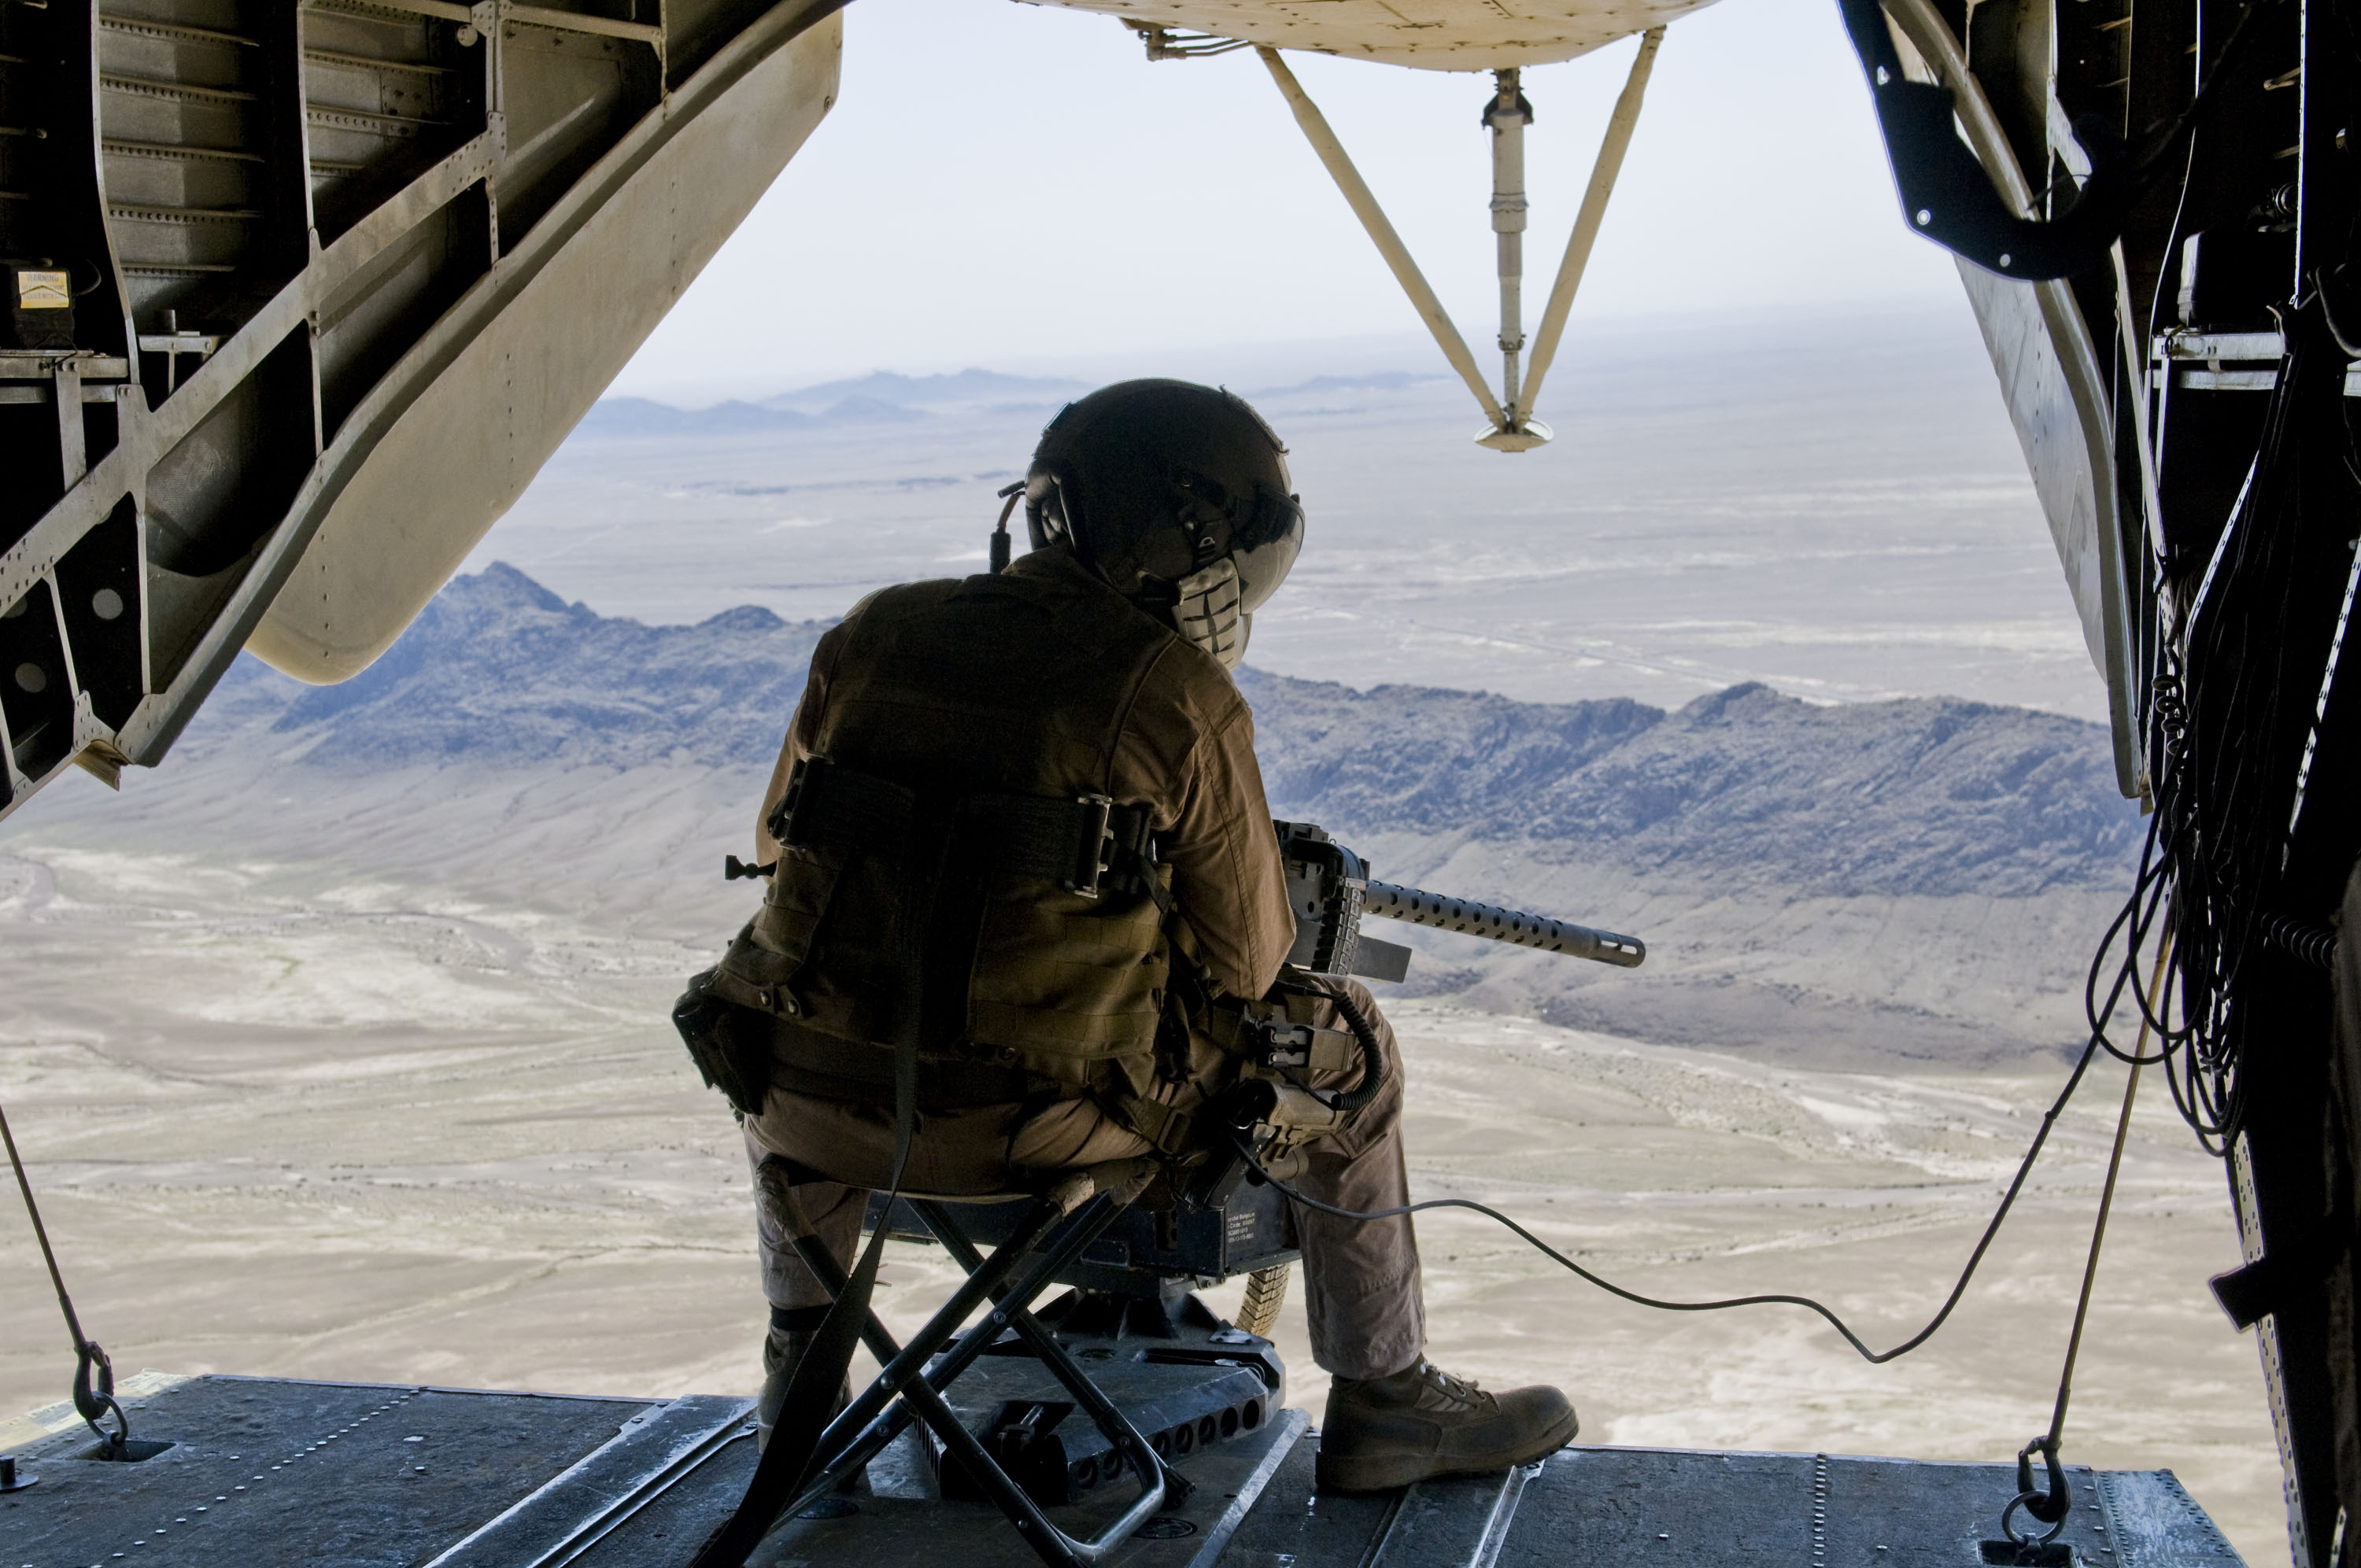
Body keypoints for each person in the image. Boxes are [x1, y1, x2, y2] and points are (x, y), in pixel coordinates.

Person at [709, 378, 1576, 1495]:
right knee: (1347, 1037)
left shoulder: (869, 635)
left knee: (812, 1008)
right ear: (1194, 546)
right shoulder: (1173, 694)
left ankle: (803, 1367)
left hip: (813, 1116)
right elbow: (1256, 966)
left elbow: (781, 853)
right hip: (1026, 1132)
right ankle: (1388, 1403)